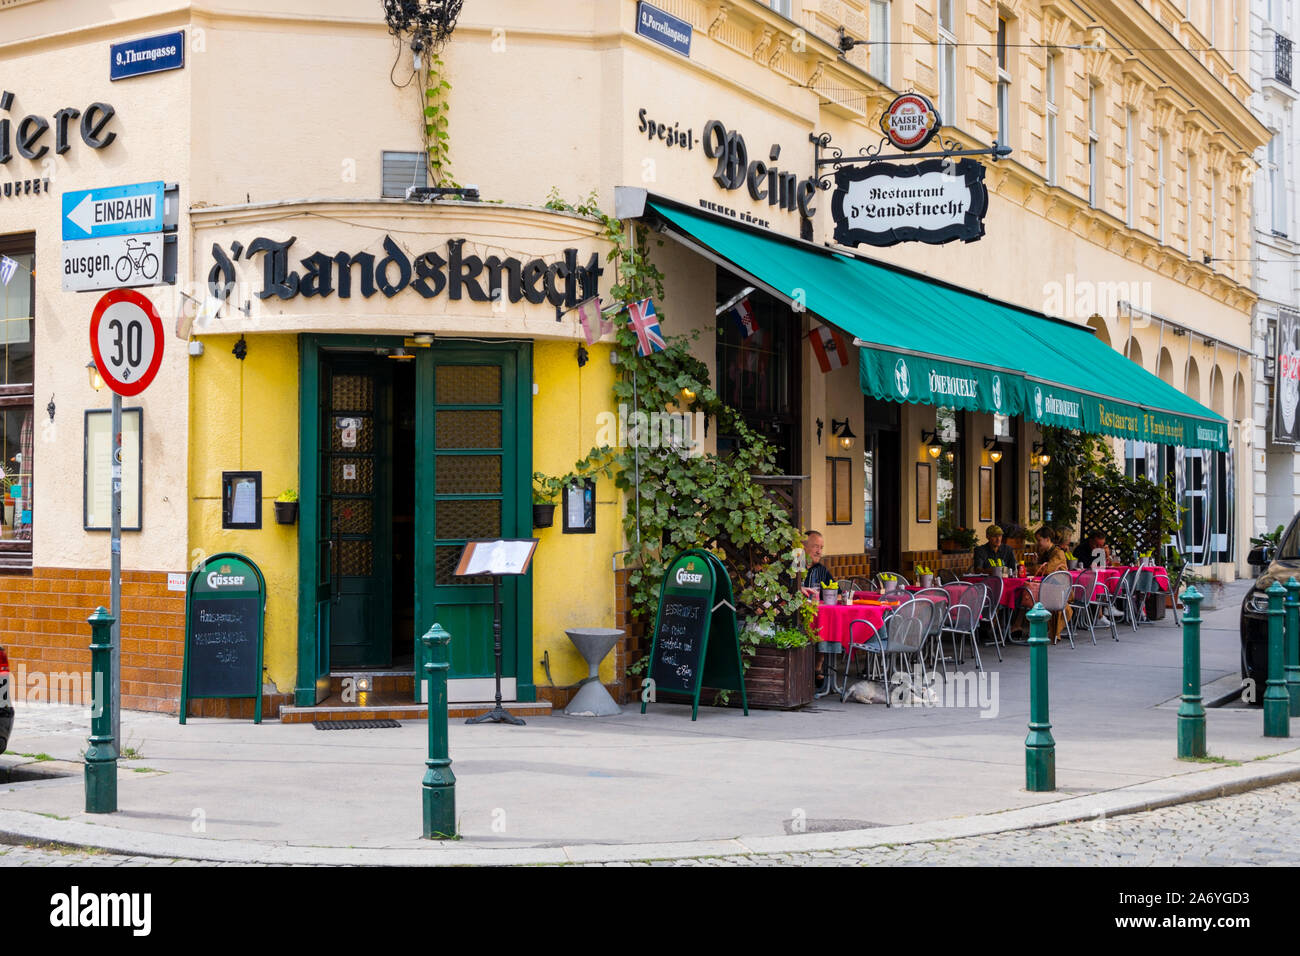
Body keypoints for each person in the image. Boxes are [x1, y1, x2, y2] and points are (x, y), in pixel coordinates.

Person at [1009, 526, 1072, 642]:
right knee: (1024, 593)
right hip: (1047, 588)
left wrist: (1033, 567)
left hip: (1057, 591)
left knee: (1025, 593)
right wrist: (1035, 563)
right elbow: (1040, 569)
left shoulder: (1057, 553)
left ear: (1047, 539)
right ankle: (1016, 625)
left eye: (1039, 540)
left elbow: (1046, 569)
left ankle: (1016, 625)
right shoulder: (1047, 552)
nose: (1038, 543)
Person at [800, 530, 836, 597]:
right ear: (803, 546)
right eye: (816, 546)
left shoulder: (822, 570)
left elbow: (838, 594)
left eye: (821, 548)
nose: (819, 552)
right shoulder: (792, 568)